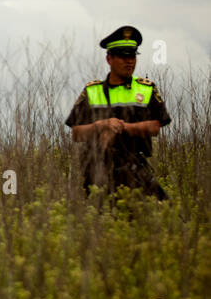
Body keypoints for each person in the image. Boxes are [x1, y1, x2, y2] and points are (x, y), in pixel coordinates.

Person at [64, 27, 170, 200]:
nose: (129, 62)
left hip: (135, 167)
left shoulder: (146, 88)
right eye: (123, 56)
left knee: (165, 212)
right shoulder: (92, 91)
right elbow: (77, 133)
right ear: (109, 59)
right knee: (98, 220)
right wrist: (102, 125)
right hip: (98, 171)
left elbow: (155, 126)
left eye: (132, 56)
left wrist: (123, 127)